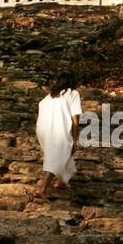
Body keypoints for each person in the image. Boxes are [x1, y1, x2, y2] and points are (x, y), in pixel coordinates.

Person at [34, 71, 82, 200]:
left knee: (60, 153)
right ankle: (42, 188)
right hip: (57, 128)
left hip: (43, 128)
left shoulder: (49, 96)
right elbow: (75, 119)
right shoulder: (73, 93)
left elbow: (40, 109)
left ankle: (61, 182)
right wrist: (76, 138)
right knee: (56, 155)